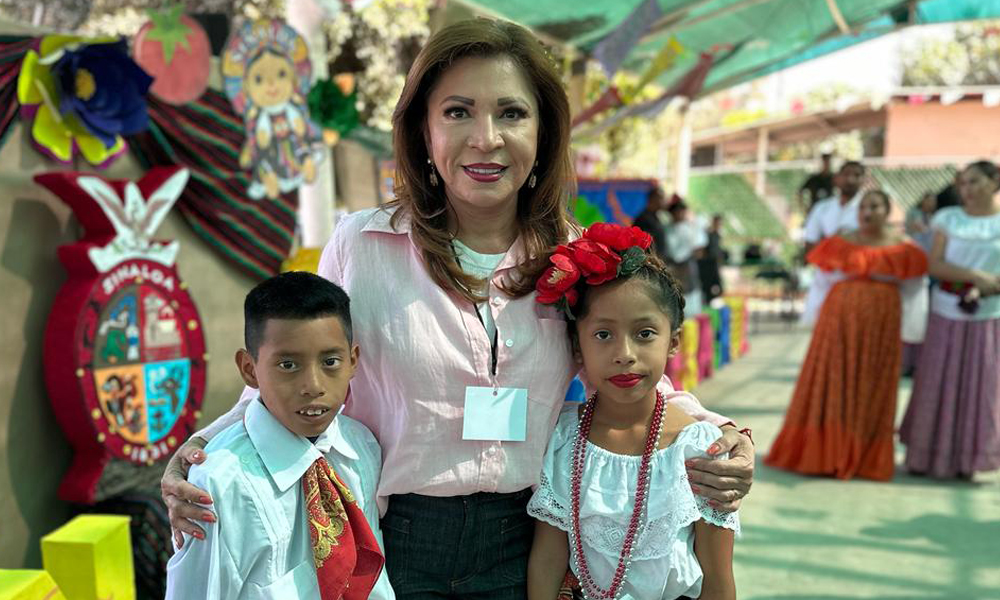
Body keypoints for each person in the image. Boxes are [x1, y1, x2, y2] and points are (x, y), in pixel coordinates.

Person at [161, 19, 754, 599]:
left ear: (544, 133)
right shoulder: (363, 246)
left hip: (532, 543)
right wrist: (199, 455)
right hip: (390, 537)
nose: (485, 137)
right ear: (423, 130)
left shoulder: (574, 256)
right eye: (457, 111)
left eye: (512, 113)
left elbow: (628, 365)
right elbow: (287, 362)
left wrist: (722, 432)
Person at [526, 224, 739, 600]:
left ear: (673, 342)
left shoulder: (698, 449)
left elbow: (718, 581)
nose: (624, 353)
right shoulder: (563, 438)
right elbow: (547, 558)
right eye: (603, 335)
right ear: (578, 347)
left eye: (644, 334)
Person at [165, 272, 389, 599]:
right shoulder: (219, 485)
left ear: (353, 361)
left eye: (330, 361)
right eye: (287, 365)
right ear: (249, 369)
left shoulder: (361, 448)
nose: (313, 385)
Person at [766, 190, 928, 481]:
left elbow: (915, 291)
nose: (868, 211)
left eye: (875, 206)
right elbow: (821, 282)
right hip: (838, 321)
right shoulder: (840, 243)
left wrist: (913, 331)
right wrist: (813, 319)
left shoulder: (906, 248)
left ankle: (864, 455)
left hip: (883, 325)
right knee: (833, 379)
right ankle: (824, 452)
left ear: (887, 210)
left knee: (873, 382)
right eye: (864, 206)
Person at [900, 160, 1000, 479]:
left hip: (988, 315)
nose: (967, 190)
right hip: (945, 310)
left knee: (978, 386)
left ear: (994, 182)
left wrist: (987, 287)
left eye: (975, 182)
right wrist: (975, 277)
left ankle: (967, 461)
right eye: (964, 184)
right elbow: (935, 264)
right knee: (936, 382)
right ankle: (923, 457)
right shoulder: (948, 218)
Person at [800, 160, 866, 325]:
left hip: (857, 281)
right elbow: (810, 248)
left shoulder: (868, 209)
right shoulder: (822, 208)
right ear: (836, 179)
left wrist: (834, 245)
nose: (850, 179)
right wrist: (836, 244)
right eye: (846, 174)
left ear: (864, 180)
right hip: (825, 279)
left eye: (856, 175)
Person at [665, 200, 707, 314]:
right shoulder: (667, 230)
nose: (681, 215)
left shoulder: (690, 228)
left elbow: (699, 250)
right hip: (673, 268)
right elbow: (672, 253)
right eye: (678, 212)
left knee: (692, 301)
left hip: (688, 269)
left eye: (683, 212)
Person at [632, 185, 668, 260]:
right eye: (662, 198)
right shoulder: (643, 219)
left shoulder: (656, 217)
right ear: (653, 199)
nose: (665, 201)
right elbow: (645, 246)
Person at [698, 214, 726, 303]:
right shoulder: (706, 234)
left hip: (714, 265)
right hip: (707, 266)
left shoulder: (717, 235)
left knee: (717, 289)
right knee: (708, 288)